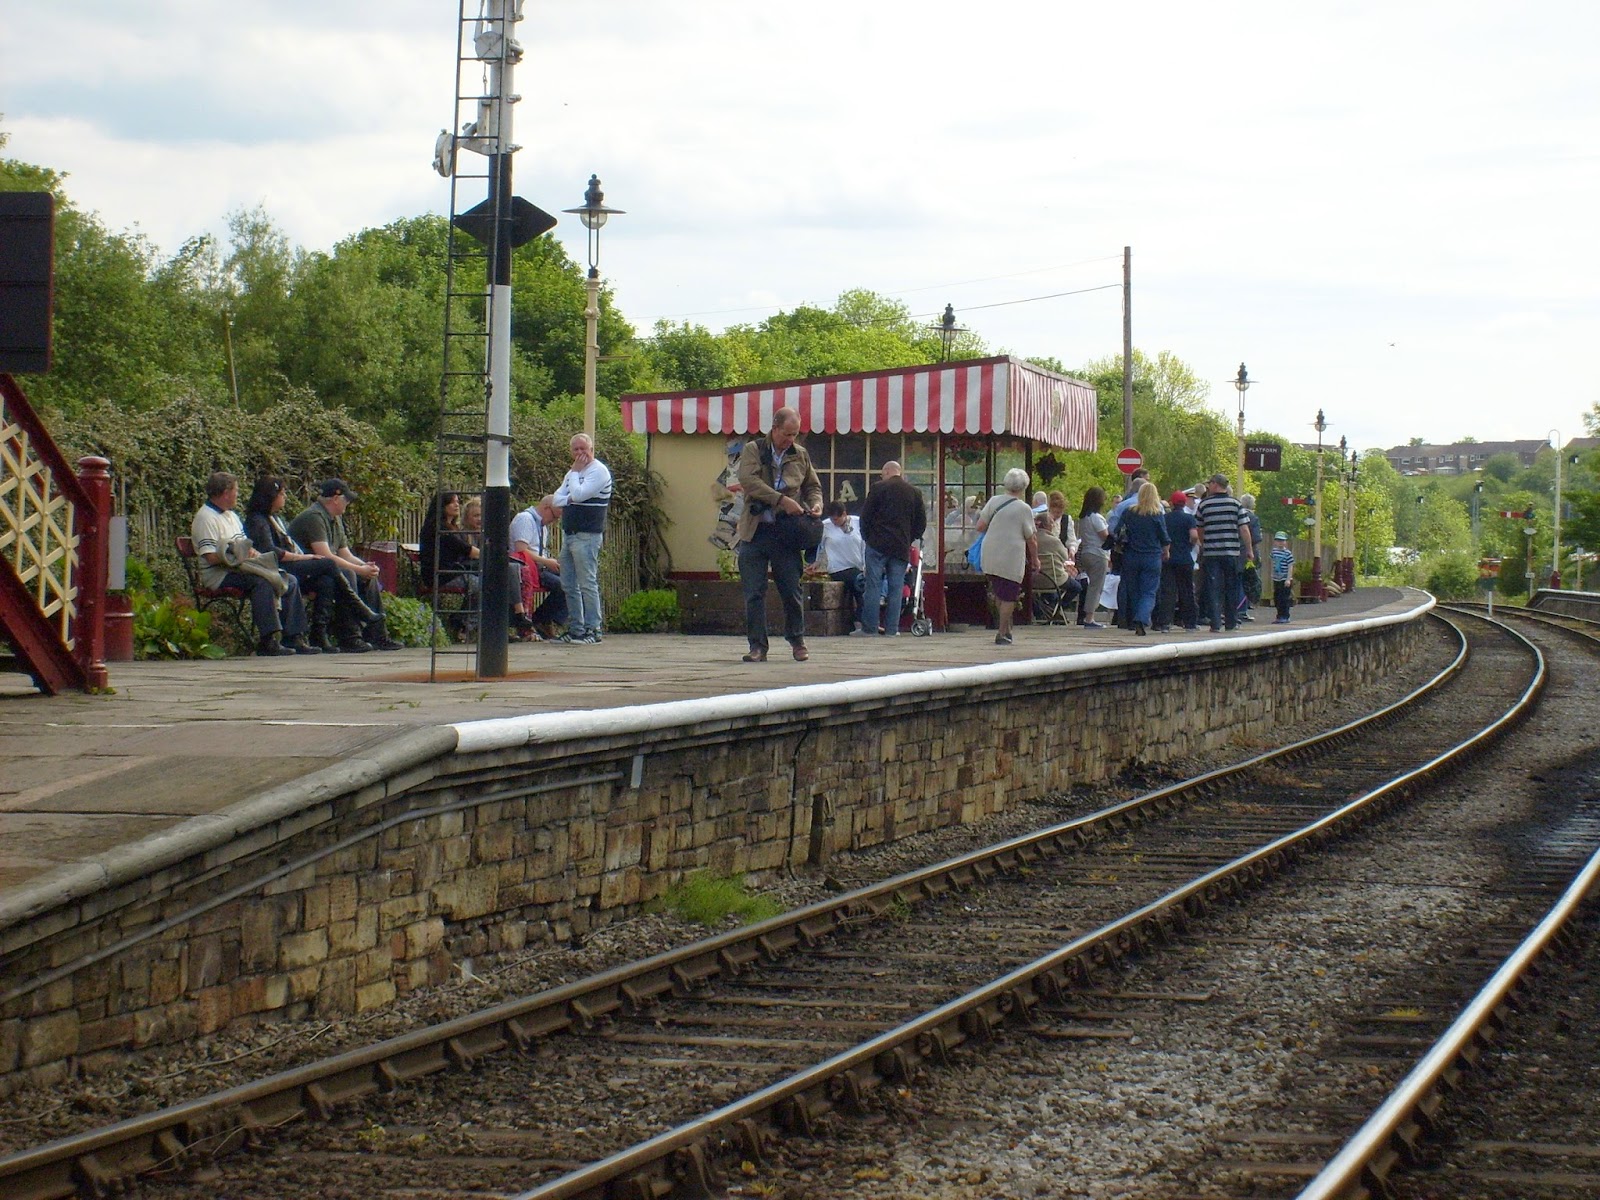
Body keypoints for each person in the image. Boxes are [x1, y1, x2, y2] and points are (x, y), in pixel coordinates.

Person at [244, 476, 377, 653]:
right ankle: (359, 609)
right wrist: (303, 558)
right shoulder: (258, 521)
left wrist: (364, 567)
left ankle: (316, 634)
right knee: (328, 564)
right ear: (271, 496)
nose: (285, 497)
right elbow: (271, 551)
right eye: (282, 494)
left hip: (287, 565)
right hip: (276, 567)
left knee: (326, 582)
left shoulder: (274, 518)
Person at [735, 406, 823, 662]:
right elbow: (749, 481)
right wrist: (781, 500)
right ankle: (757, 647)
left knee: (791, 589)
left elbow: (813, 486)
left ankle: (797, 641)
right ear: (774, 429)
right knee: (753, 592)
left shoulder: (801, 455)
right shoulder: (754, 449)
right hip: (756, 531)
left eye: (794, 434)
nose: (790, 440)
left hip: (786, 533)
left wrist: (816, 503)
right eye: (786, 434)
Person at [191, 471, 303, 657]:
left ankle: (293, 637)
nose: (238, 494)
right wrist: (237, 555)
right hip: (220, 575)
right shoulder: (206, 518)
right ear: (226, 492)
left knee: (287, 579)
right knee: (262, 582)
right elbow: (210, 557)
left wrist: (252, 553)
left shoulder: (232, 516)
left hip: (242, 567)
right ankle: (268, 640)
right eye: (236, 490)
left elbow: (245, 545)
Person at [287, 479, 402, 650]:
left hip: (326, 572)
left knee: (366, 575)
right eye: (346, 499)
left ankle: (378, 634)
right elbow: (324, 555)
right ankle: (350, 636)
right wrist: (358, 570)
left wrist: (366, 567)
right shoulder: (314, 517)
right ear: (335, 498)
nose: (348, 503)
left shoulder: (335, 519)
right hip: (305, 572)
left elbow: (344, 553)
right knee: (349, 574)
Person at [552, 433, 613, 644]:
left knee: (587, 582)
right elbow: (556, 498)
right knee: (568, 584)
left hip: (587, 535)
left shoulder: (599, 471)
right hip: (569, 533)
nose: (579, 454)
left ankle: (593, 629)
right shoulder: (573, 473)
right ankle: (576, 628)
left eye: (583, 449)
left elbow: (577, 495)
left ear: (592, 449)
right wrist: (570, 489)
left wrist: (574, 478)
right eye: (575, 450)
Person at [858, 461, 926, 637]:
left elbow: (865, 516)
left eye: (882, 474)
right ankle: (892, 629)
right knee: (896, 588)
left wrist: (868, 538)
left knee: (873, 586)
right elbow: (921, 523)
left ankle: (870, 628)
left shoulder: (878, 488)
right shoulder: (914, 492)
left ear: (887, 471)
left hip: (877, 545)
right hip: (901, 547)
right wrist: (909, 539)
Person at [977, 468, 1039, 646]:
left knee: (999, 591)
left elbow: (980, 526)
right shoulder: (1024, 508)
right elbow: (1031, 538)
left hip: (990, 551)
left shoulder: (994, 501)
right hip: (1010, 555)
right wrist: (1035, 559)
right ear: (1024, 487)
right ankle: (1002, 632)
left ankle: (1007, 629)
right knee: (1010, 595)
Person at [1196, 473, 1254, 633]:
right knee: (1231, 586)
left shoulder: (1204, 505)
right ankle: (1231, 622)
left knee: (1213, 587)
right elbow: (1244, 528)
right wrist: (1249, 550)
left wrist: (1204, 544)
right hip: (1231, 552)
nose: (1208, 487)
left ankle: (1215, 623)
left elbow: (1200, 528)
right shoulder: (1236, 504)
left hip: (1211, 553)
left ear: (1215, 484)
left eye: (1210, 484)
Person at [1115, 480, 1170, 636]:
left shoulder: (1129, 512)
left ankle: (1134, 618)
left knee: (1133, 590)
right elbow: (1164, 537)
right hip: (1152, 557)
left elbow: (1117, 530)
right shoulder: (1157, 514)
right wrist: (1166, 551)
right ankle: (1142, 617)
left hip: (1131, 556)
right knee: (1149, 591)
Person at [510, 494, 569, 638]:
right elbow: (521, 550)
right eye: (554, 517)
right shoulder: (525, 519)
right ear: (546, 508)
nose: (554, 521)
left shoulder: (542, 527)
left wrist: (551, 561)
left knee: (575, 581)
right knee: (565, 586)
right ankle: (541, 620)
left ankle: (545, 620)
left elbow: (538, 551)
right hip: (528, 568)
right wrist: (546, 562)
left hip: (540, 566)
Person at [812, 501, 866, 631]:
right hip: (838, 568)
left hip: (858, 566)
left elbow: (865, 544)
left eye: (836, 519)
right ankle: (859, 622)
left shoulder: (857, 522)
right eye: (832, 519)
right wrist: (816, 562)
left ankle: (862, 621)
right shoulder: (825, 526)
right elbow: (818, 546)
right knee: (859, 583)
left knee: (862, 586)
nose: (834, 522)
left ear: (844, 514)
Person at [1154, 490, 1199, 633]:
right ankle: (1190, 623)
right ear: (1184, 502)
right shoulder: (1189, 518)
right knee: (1187, 591)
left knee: (1168, 591)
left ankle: (1165, 623)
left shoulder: (1164, 518)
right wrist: (1189, 546)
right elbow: (1194, 536)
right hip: (1185, 558)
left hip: (1168, 558)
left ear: (1172, 503)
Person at [1032, 512, 1083, 620]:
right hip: (1054, 578)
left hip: (1034, 579)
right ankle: (1055, 610)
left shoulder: (1031, 539)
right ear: (1048, 525)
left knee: (1050, 594)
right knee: (1077, 587)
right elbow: (1065, 558)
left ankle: (1046, 611)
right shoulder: (1054, 541)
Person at [1075, 486, 1110, 629]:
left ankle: (1087, 615)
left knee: (1091, 585)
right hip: (1098, 554)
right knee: (1096, 586)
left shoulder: (1083, 518)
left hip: (1086, 553)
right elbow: (1105, 536)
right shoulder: (1096, 518)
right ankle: (1089, 618)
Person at [1238, 493, 1264, 622]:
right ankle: (1242, 610)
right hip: (1249, 553)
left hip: (1235, 551)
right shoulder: (1253, 518)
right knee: (1248, 581)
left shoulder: (1236, 514)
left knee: (1236, 581)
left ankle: (1233, 609)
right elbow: (1257, 538)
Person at [1270, 532, 1296, 623]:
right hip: (1276, 578)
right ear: (1275, 542)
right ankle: (1279, 615)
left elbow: (1290, 566)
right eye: (1278, 540)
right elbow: (1273, 563)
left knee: (1284, 598)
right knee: (1277, 597)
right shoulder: (1274, 552)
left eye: (1282, 540)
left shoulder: (1288, 553)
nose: (1280, 542)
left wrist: (1288, 578)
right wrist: (1272, 574)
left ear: (1285, 542)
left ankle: (1285, 616)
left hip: (1285, 579)